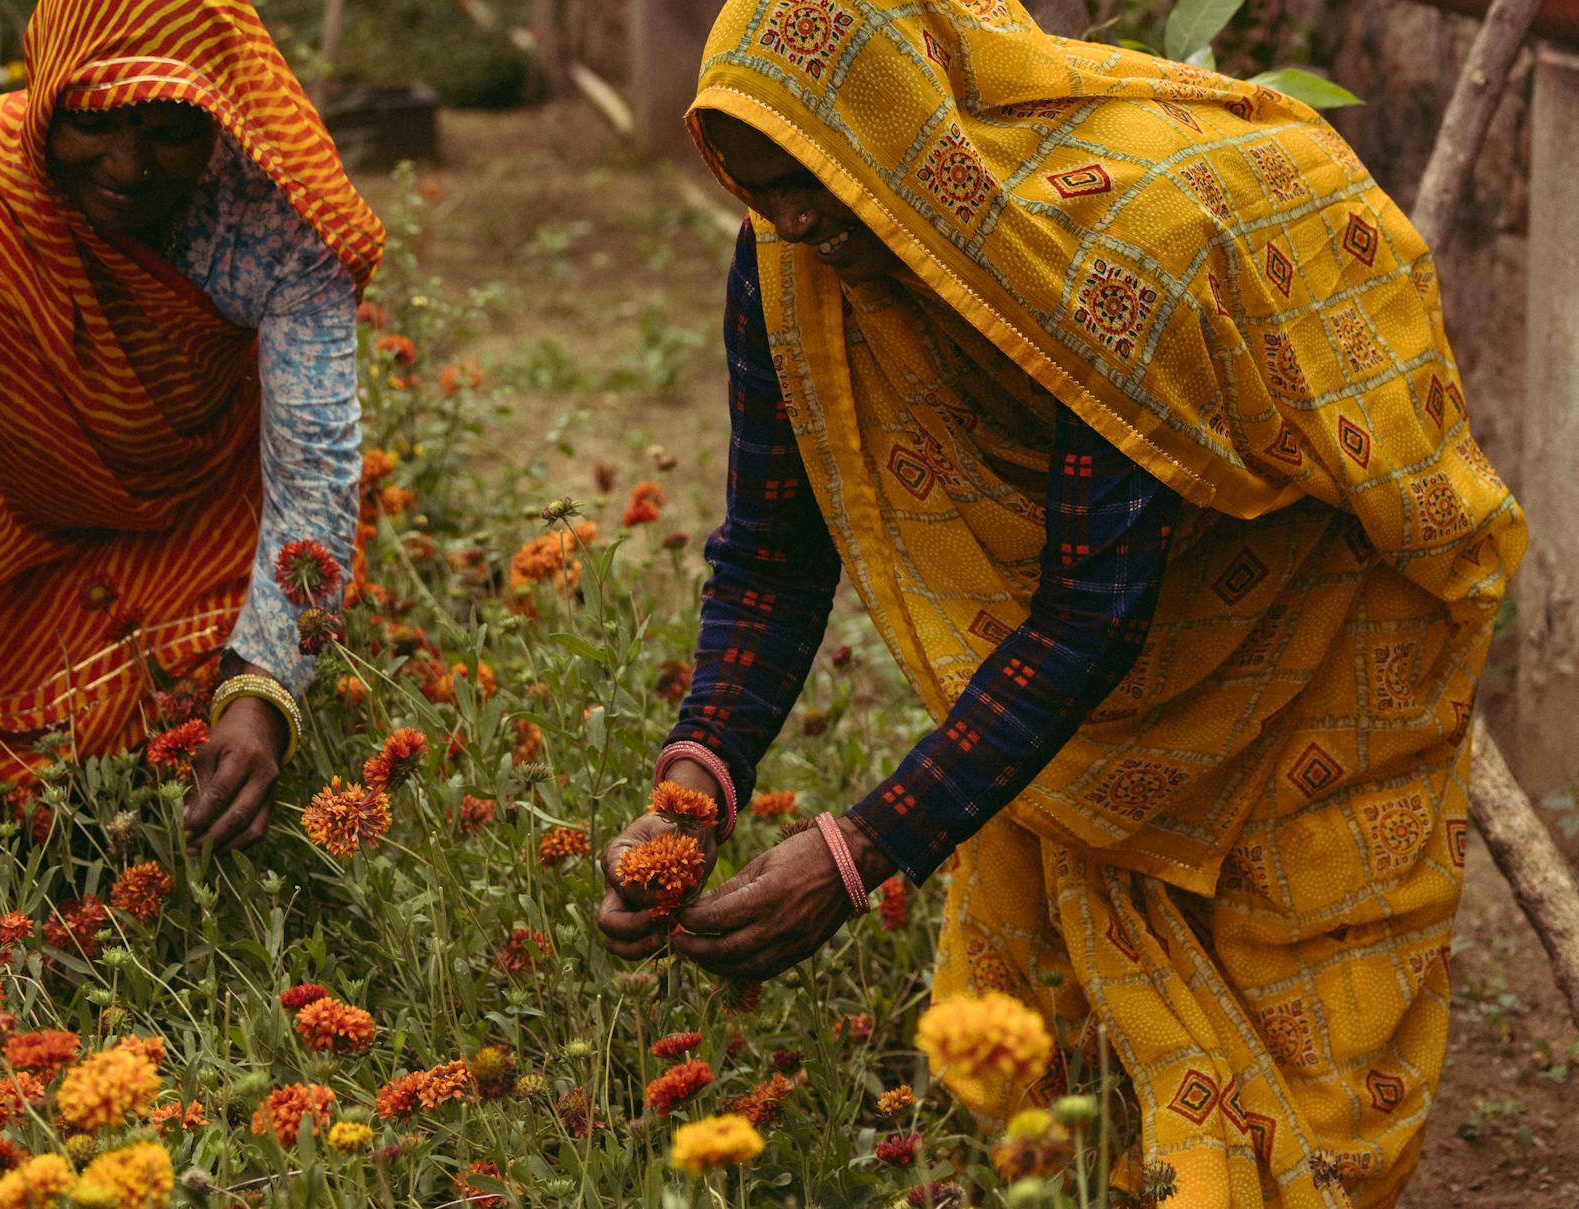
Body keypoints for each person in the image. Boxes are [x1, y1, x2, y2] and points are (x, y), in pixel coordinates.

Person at [598, 1, 1525, 1204]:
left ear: (894, 129)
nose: (792, 218)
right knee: (1067, 1088)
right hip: (1084, 664)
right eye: (758, 183)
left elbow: (1092, 605)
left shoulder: (1103, 253)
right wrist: (696, 782)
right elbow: (772, 554)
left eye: (812, 176)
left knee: (1319, 1053)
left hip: (1312, 621)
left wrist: (856, 853)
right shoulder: (786, 271)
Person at [0, 0, 384, 892]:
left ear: (220, 119)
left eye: (168, 130)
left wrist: (262, 691)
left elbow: (314, 474)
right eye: (92, 122)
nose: (126, 166)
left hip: (200, 528)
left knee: (196, 732)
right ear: (46, 100)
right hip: (6, 540)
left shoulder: (269, 217)